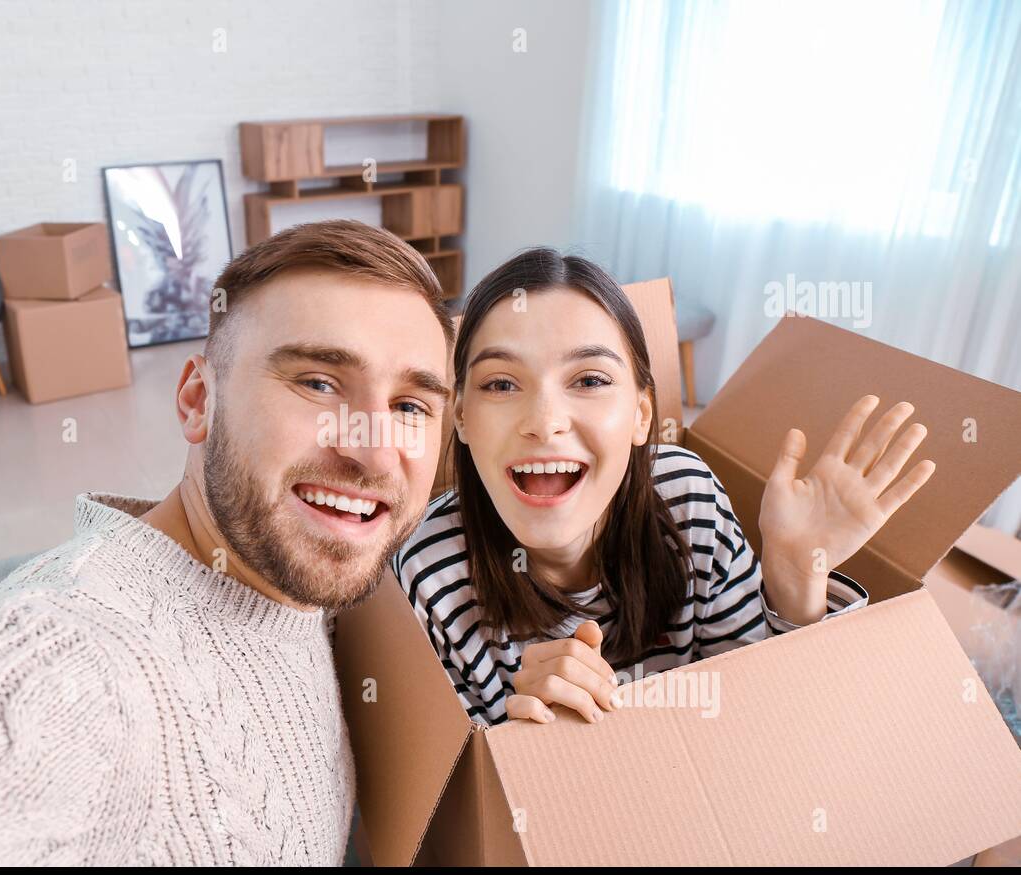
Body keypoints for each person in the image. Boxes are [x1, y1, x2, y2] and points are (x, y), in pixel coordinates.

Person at [0, 219, 454, 865]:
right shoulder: (67, 666)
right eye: (320, 383)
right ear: (198, 399)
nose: (377, 452)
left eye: (411, 404)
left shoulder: (295, 566)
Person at [395, 249, 935, 726]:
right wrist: (525, 737)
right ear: (461, 416)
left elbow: (760, 712)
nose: (544, 421)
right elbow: (461, 804)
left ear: (640, 414)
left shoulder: (686, 495)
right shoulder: (426, 571)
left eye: (589, 380)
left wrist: (795, 580)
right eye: (502, 384)